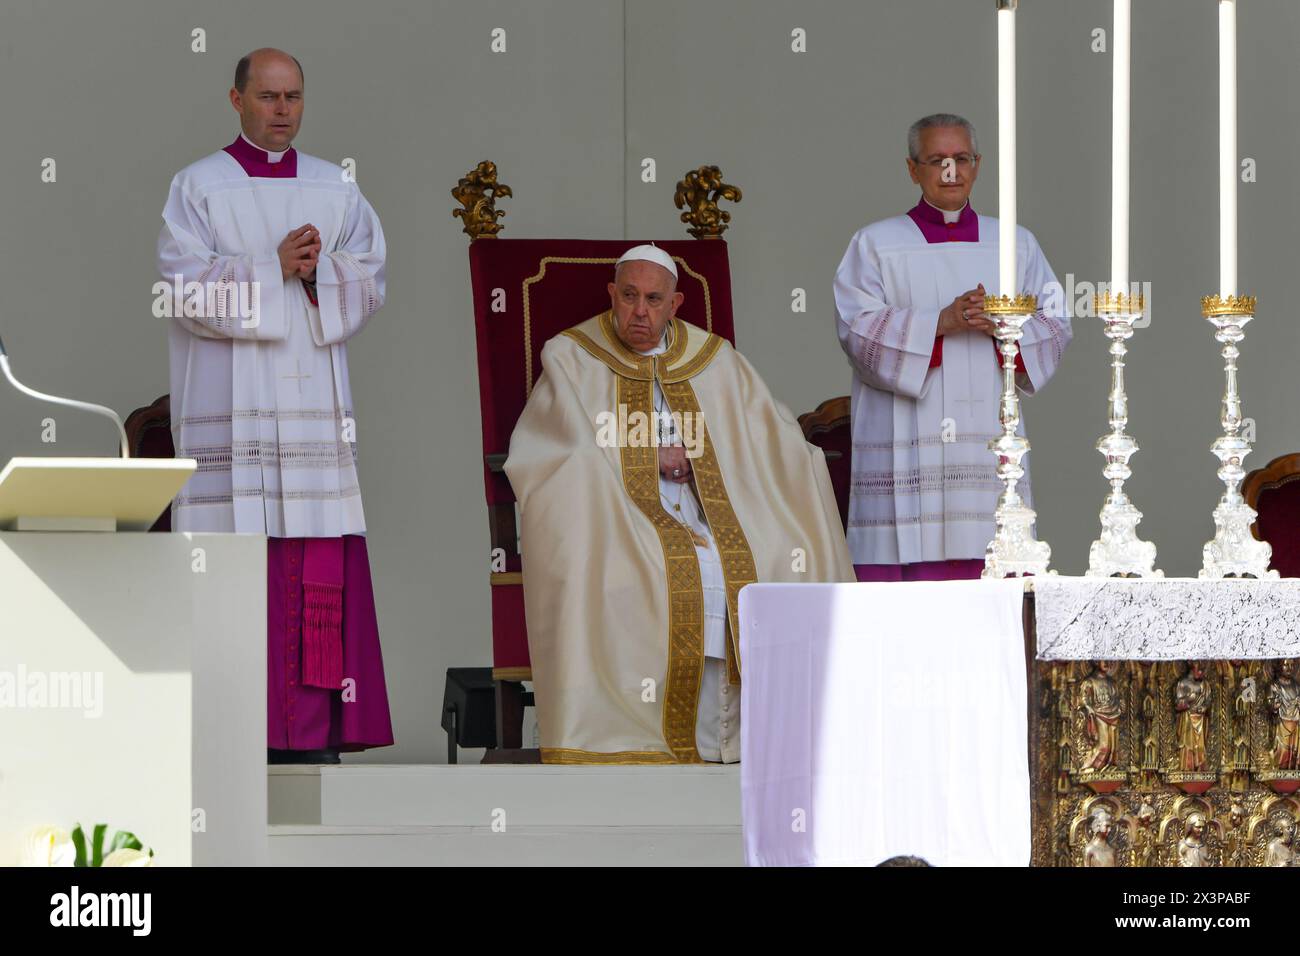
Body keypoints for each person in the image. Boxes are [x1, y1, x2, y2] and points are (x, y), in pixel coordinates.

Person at [505, 245, 853, 764]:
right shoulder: (572, 356)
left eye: (652, 299)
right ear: (611, 295)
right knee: (651, 566)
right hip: (614, 511)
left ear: (676, 303)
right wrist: (644, 454)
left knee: (765, 556)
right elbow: (556, 450)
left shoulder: (716, 358)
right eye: (628, 297)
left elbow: (766, 435)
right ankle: (638, 737)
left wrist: (710, 458)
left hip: (709, 507)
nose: (639, 312)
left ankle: (735, 737)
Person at [157, 48, 392, 763]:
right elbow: (180, 287)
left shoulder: (335, 186)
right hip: (229, 407)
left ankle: (316, 735)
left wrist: (322, 269)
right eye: (267, 96)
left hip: (310, 413)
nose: (282, 109)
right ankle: (230, 738)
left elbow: (371, 274)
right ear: (236, 100)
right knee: (234, 564)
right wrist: (273, 268)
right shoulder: (197, 185)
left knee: (314, 558)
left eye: (293, 96)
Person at [833, 113, 1072, 580]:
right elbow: (856, 330)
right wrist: (940, 322)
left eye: (961, 158)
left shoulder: (1016, 244)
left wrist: (1004, 328)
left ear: (977, 165)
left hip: (987, 436)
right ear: (912, 168)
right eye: (937, 160)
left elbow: (1057, 323)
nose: (950, 171)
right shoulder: (876, 244)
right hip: (906, 436)